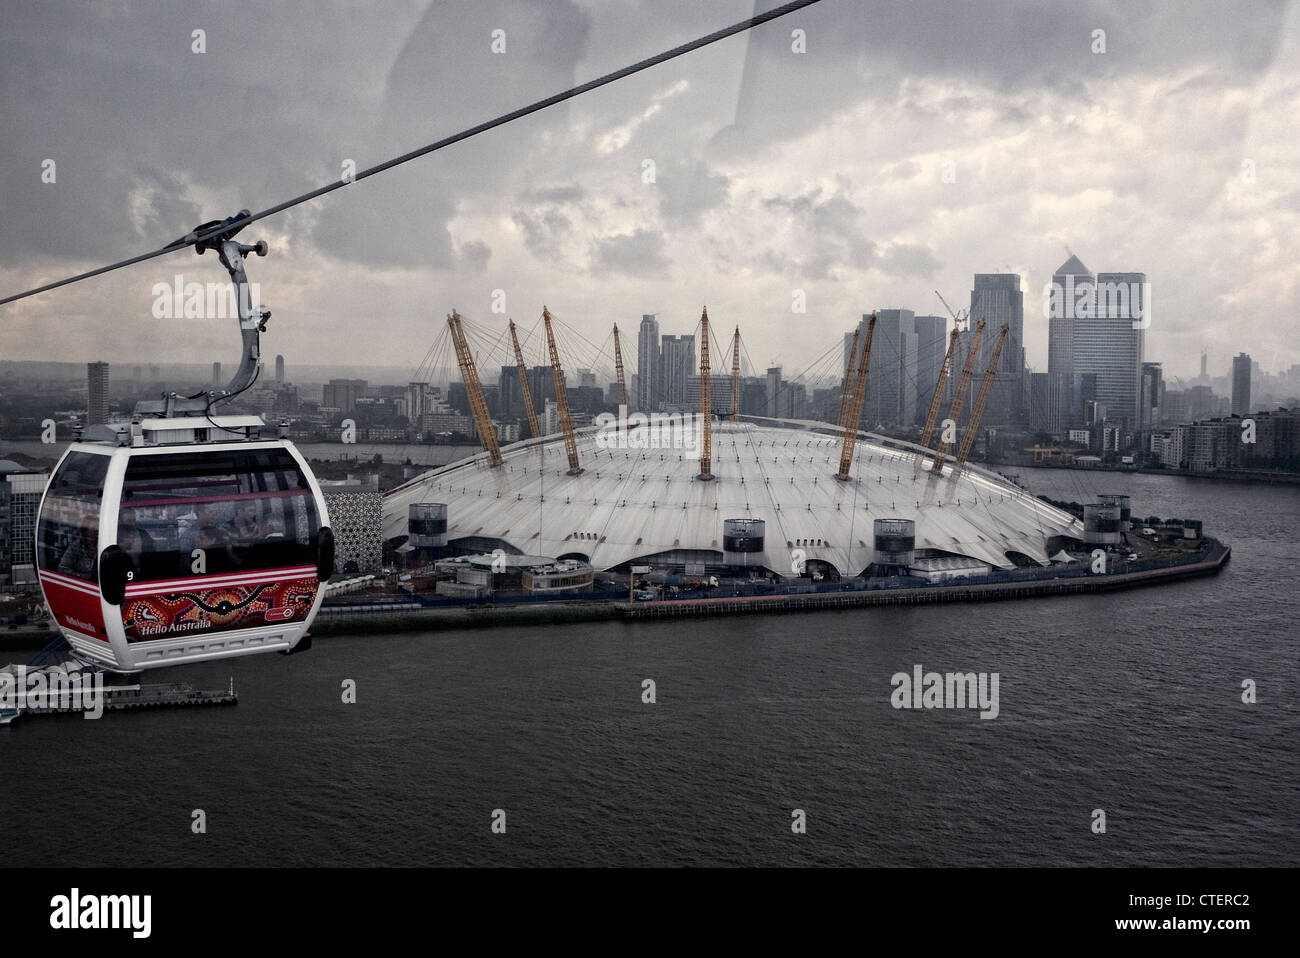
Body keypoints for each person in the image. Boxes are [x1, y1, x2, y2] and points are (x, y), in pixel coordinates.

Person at [58, 515, 99, 580]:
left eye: (98, 527)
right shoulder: (75, 547)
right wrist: (81, 575)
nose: (97, 530)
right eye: (93, 527)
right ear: (85, 530)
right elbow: (62, 569)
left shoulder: (101, 545)